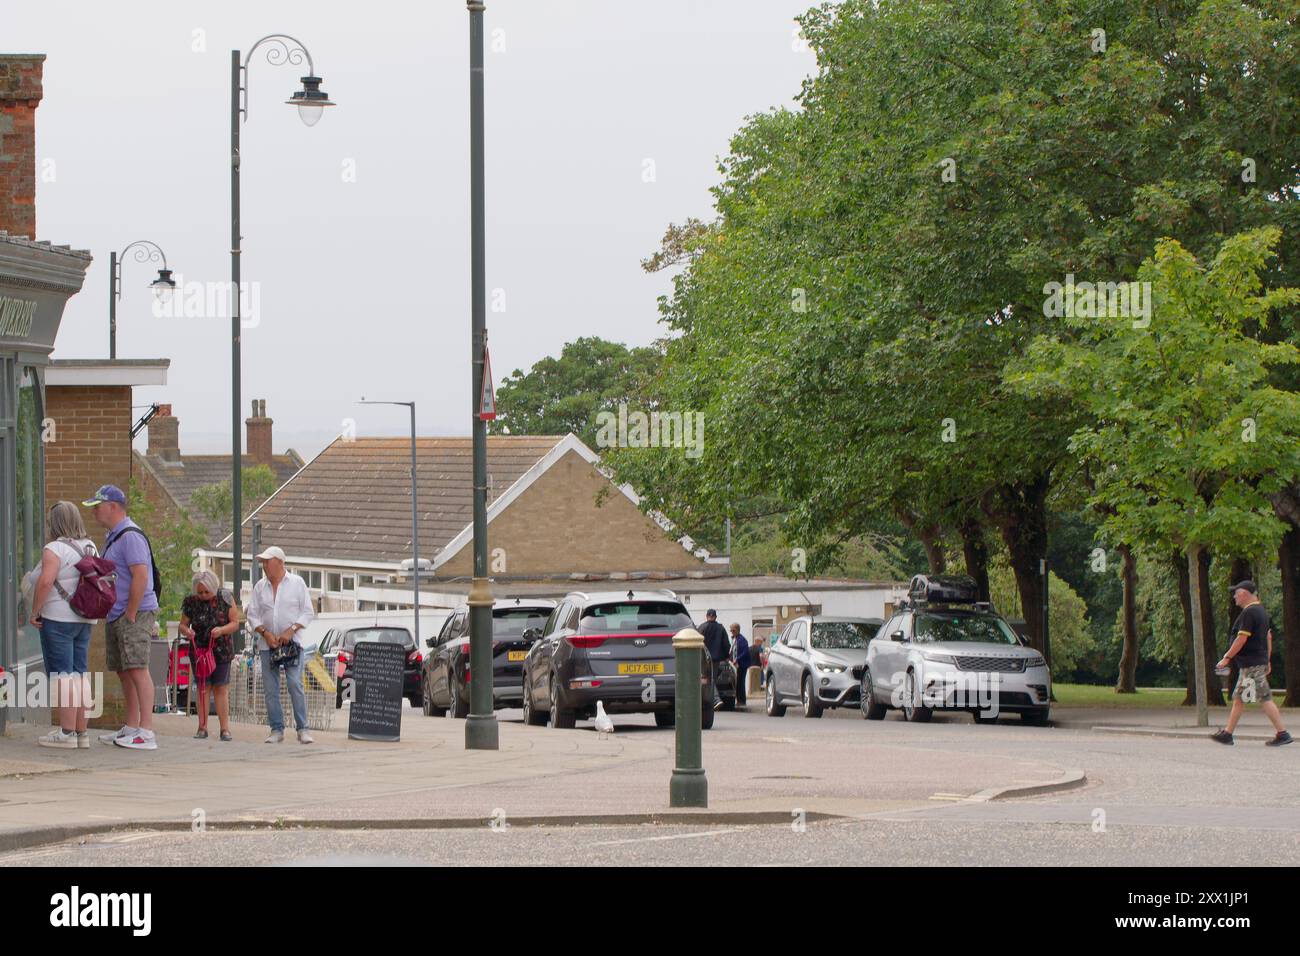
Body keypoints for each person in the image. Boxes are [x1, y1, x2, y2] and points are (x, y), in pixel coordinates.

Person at [83, 485, 159, 751]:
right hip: (119, 613)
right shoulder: (113, 537)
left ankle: (147, 731)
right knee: (124, 670)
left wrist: (130, 612)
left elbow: (141, 575)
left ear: (113, 506)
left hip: (133, 612)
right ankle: (131, 726)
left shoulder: (130, 537)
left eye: (98, 506)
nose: (94, 512)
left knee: (138, 668)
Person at [29, 501, 98, 749]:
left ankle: (66, 734)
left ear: (55, 523)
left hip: (58, 619)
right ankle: (82, 733)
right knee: (80, 673)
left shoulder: (54, 548)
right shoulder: (90, 546)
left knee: (62, 676)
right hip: (85, 618)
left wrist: (35, 611)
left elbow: (46, 582)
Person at [245, 546, 314, 744]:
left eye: (268, 561)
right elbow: (253, 614)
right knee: (270, 688)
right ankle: (276, 728)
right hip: (268, 645)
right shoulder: (260, 586)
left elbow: (307, 612)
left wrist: (291, 630)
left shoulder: (297, 583)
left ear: (280, 562)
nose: (264, 565)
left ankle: (303, 728)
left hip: (292, 644)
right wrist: (265, 633)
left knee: (295, 684)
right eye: (263, 562)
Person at [1210, 581, 1292, 747]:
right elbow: (1268, 637)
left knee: (1265, 698)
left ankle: (1283, 733)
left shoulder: (1250, 612)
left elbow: (1241, 639)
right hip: (1254, 663)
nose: (1234, 597)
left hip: (1252, 665)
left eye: (1236, 593)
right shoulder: (1261, 611)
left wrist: (1227, 657)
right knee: (1240, 698)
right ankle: (1228, 733)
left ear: (1245, 593)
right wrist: (1267, 659)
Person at [180, 570, 240, 742]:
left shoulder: (225, 597)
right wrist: (188, 631)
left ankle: (225, 729)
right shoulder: (191, 602)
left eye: (207, 592)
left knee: (221, 687)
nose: (204, 595)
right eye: (200, 592)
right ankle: (202, 727)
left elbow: (235, 622)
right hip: (199, 650)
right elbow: (182, 625)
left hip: (221, 649)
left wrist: (221, 630)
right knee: (202, 688)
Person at [699, 609, 730, 710]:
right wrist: (725, 657)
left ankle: (715, 700)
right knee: (711, 679)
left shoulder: (702, 627)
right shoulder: (721, 628)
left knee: (708, 680)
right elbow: (726, 644)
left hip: (704, 658)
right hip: (716, 659)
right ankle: (713, 701)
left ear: (706, 616)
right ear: (715, 617)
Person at [730, 622, 751, 706]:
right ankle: (739, 699)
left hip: (742, 664)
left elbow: (745, 652)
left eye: (733, 631)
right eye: (731, 631)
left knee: (740, 682)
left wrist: (737, 659)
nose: (732, 632)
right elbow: (733, 650)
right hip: (737, 663)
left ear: (737, 630)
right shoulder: (735, 639)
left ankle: (742, 700)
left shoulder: (742, 640)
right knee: (738, 682)